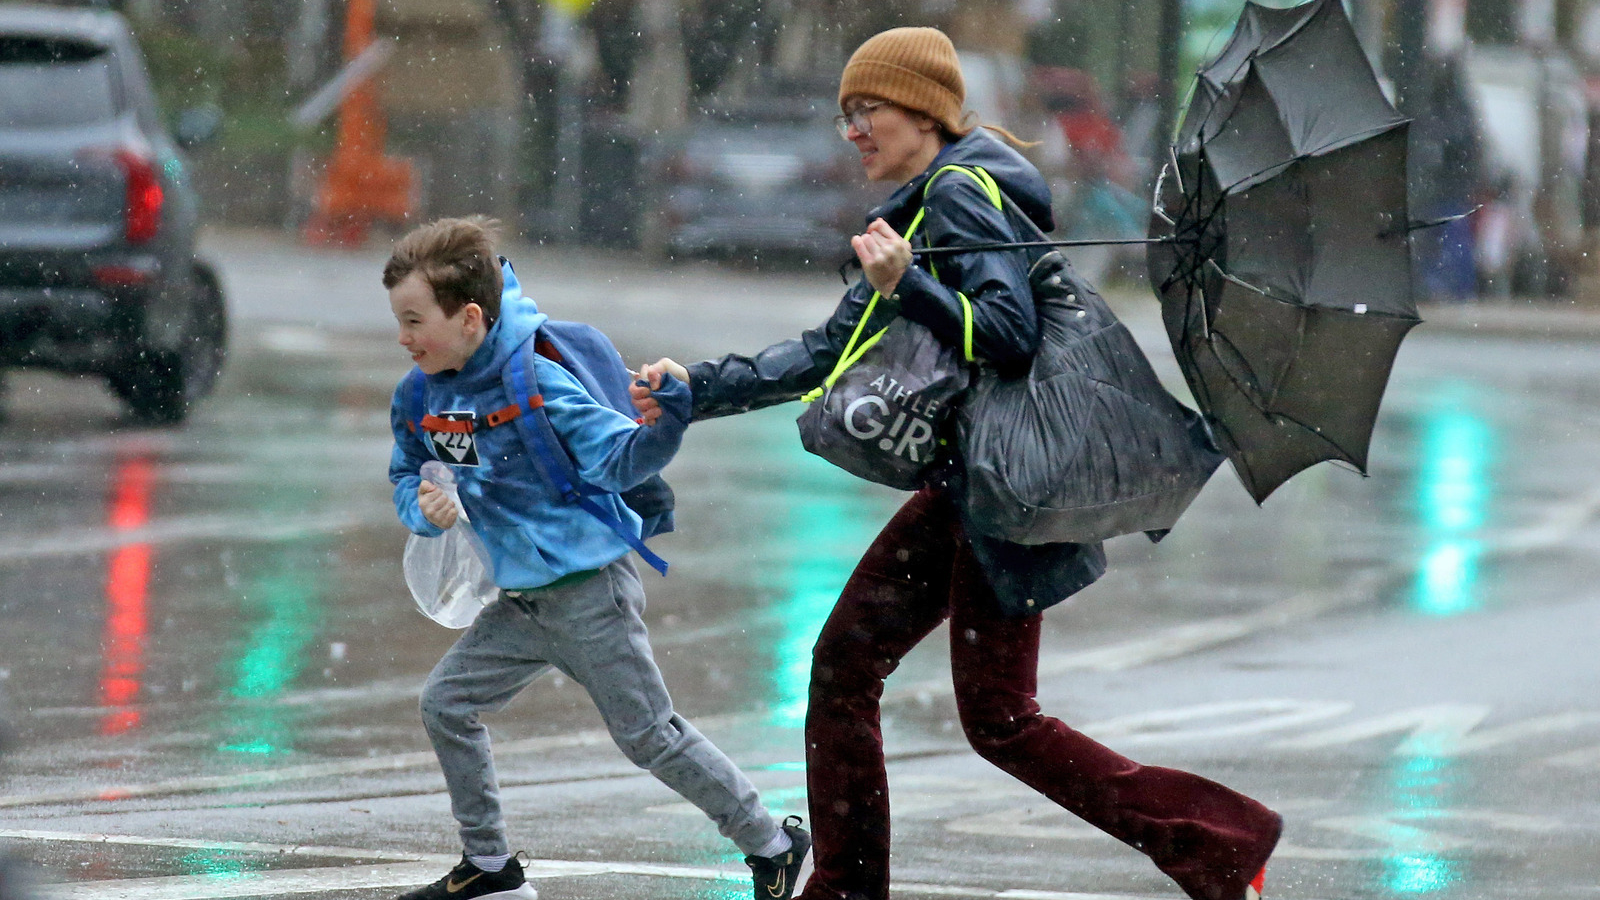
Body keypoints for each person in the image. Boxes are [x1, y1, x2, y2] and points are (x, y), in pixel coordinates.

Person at [631, 27, 1281, 900]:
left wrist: (912, 286)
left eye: (867, 111)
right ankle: (1209, 840)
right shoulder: (923, 207)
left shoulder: (957, 196)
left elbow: (1007, 335)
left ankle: (1218, 836)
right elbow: (828, 352)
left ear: (922, 112)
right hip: (974, 487)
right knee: (868, 675)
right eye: (847, 116)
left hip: (1001, 484)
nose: (853, 131)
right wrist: (697, 387)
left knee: (980, 712)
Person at [383, 217, 810, 900]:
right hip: (521, 605)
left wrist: (668, 420)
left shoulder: (536, 383)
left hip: (591, 597)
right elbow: (408, 469)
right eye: (398, 321)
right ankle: (490, 869)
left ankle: (773, 844)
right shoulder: (420, 394)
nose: (403, 338)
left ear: (468, 318)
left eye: (414, 321)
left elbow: (619, 458)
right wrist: (420, 506)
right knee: (446, 705)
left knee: (650, 737)